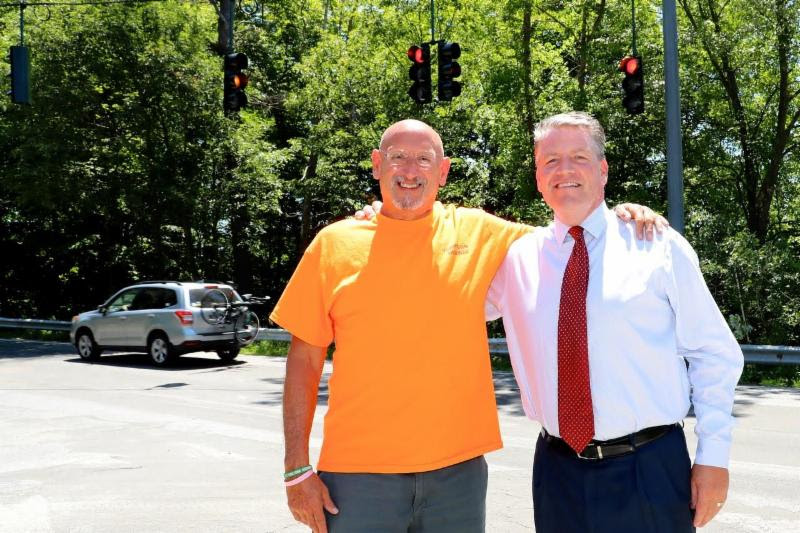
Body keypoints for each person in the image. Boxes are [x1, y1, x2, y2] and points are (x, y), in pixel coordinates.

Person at [271, 119, 664, 533]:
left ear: (443, 171)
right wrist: (296, 469)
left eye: (424, 159)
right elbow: (303, 360)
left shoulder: (479, 232)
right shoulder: (333, 244)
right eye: (397, 157)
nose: (409, 170)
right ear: (376, 165)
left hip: (459, 477)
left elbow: (568, 237)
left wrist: (622, 216)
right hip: (357, 478)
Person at [485, 111, 744, 532]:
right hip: (557, 473)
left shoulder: (656, 245)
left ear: (603, 170)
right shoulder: (515, 260)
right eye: (550, 160)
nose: (564, 170)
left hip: (649, 468)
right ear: (537, 177)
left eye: (579, 158)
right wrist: (386, 224)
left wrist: (713, 458)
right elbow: (448, 303)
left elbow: (713, 354)